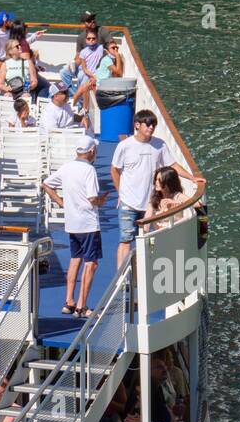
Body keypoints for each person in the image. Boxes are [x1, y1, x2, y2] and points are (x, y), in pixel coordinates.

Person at [111, 110, 202, 271]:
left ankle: (150, 271)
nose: (151, 127)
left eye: (154, 124)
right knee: (125, 240)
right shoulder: (125, 146)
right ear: (137, 125)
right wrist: (120, 193)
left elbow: (172, 165)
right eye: (148, 124)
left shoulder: (159, 145)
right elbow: (115, 170)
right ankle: (121, 278)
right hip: (129, 203)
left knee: (152, 238)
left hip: (152, 202)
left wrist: (191, 178)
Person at [43, 136, 110, 317]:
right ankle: (82, 306)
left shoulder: (67, 167)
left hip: (72, 223)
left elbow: (47, 184)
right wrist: (101, 201)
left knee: (75, 260)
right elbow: (92, 199)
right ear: (91, 152)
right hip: (88, 224)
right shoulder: (89, 171)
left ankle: (69, 302)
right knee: (91, 264)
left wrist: (60, 201)